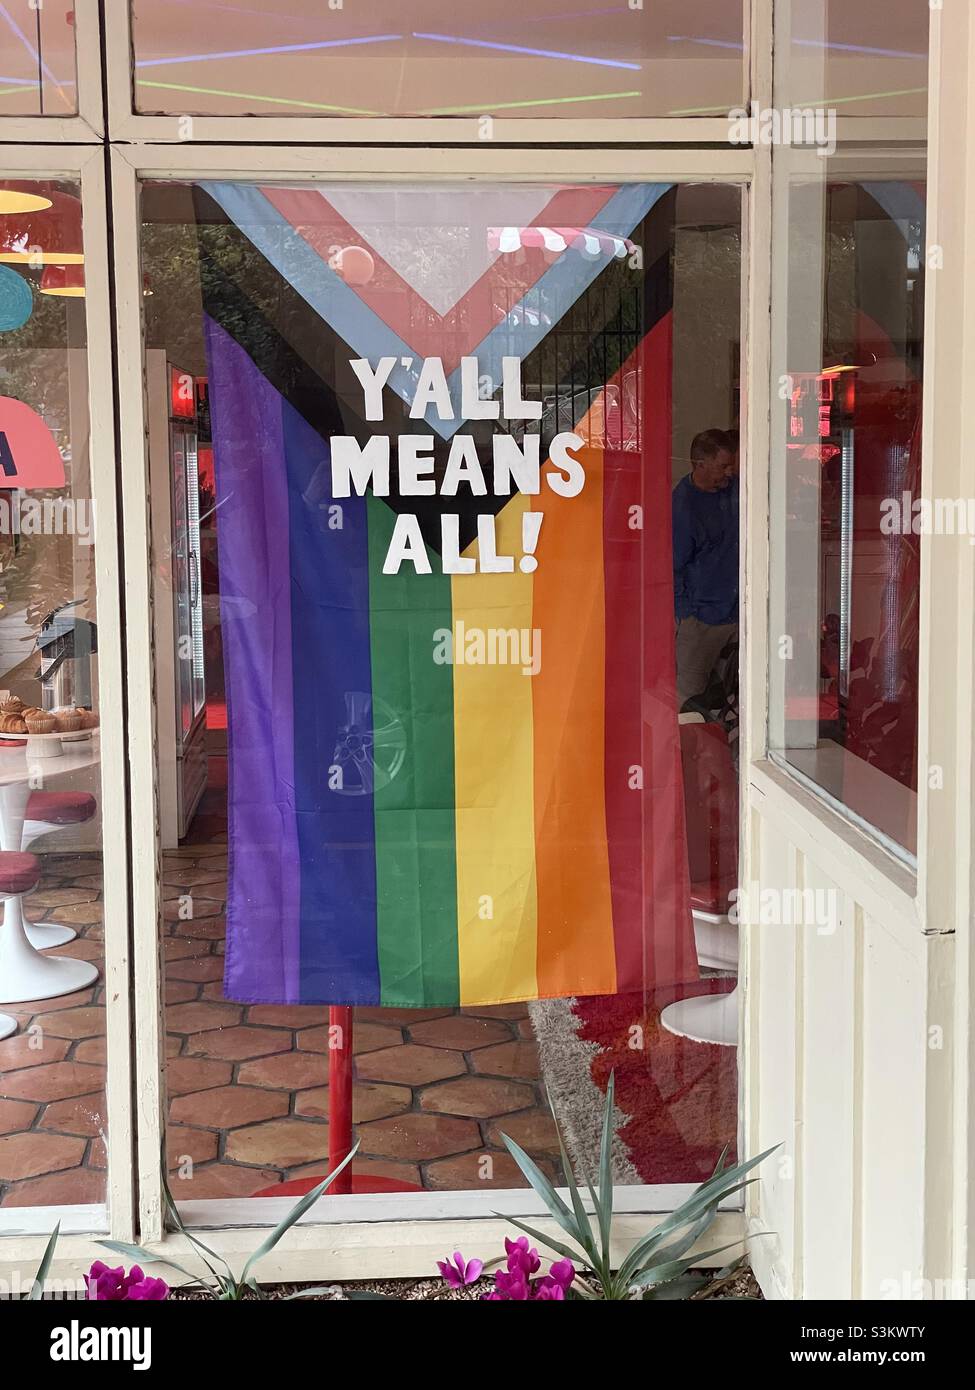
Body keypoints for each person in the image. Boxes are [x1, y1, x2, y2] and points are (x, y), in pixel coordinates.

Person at [672, 428, 738, 710]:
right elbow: (673, 566)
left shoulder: (734, 487)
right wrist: (686, 614)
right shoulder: (683, 507)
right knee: (689, 698)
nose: (729, 471)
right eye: (723, 466)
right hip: (702, 618)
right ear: (700, 464)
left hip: (740, 612)